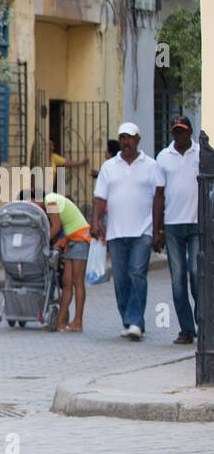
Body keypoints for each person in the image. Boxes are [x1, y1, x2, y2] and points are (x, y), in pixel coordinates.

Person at [91, 121, 163, 341]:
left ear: (138, 140)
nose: (125, 142)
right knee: (121, 279)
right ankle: (128, 319)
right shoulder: (108, 167)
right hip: (116, 231)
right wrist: (95, 222)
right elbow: (99, 198)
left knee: (136, 274)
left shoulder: (151, 165)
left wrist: (159, 229)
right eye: (122, 137)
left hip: (143, 230)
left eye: (129, 137)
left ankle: (135, 322)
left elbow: (159, 198)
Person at [154, 116, 199, 345]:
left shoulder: (202, 154)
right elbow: (159, 195)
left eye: (182, 131)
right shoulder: (163, 157)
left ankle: (205, 322)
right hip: (172, 225)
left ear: (190, 132)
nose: (178, 135)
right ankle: (187, 329)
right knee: (178, 279)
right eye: (175, 131)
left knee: (197, 273)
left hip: (197, 223)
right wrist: (157, 230)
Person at [39, 188, 91, 332]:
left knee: (77, 282)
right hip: (71, 240)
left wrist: (42, 241)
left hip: (80, 239)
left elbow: (56, 227)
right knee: (66, 282)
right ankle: (60, 322)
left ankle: (78, 322)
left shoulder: (50, 200)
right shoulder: (50, 201)